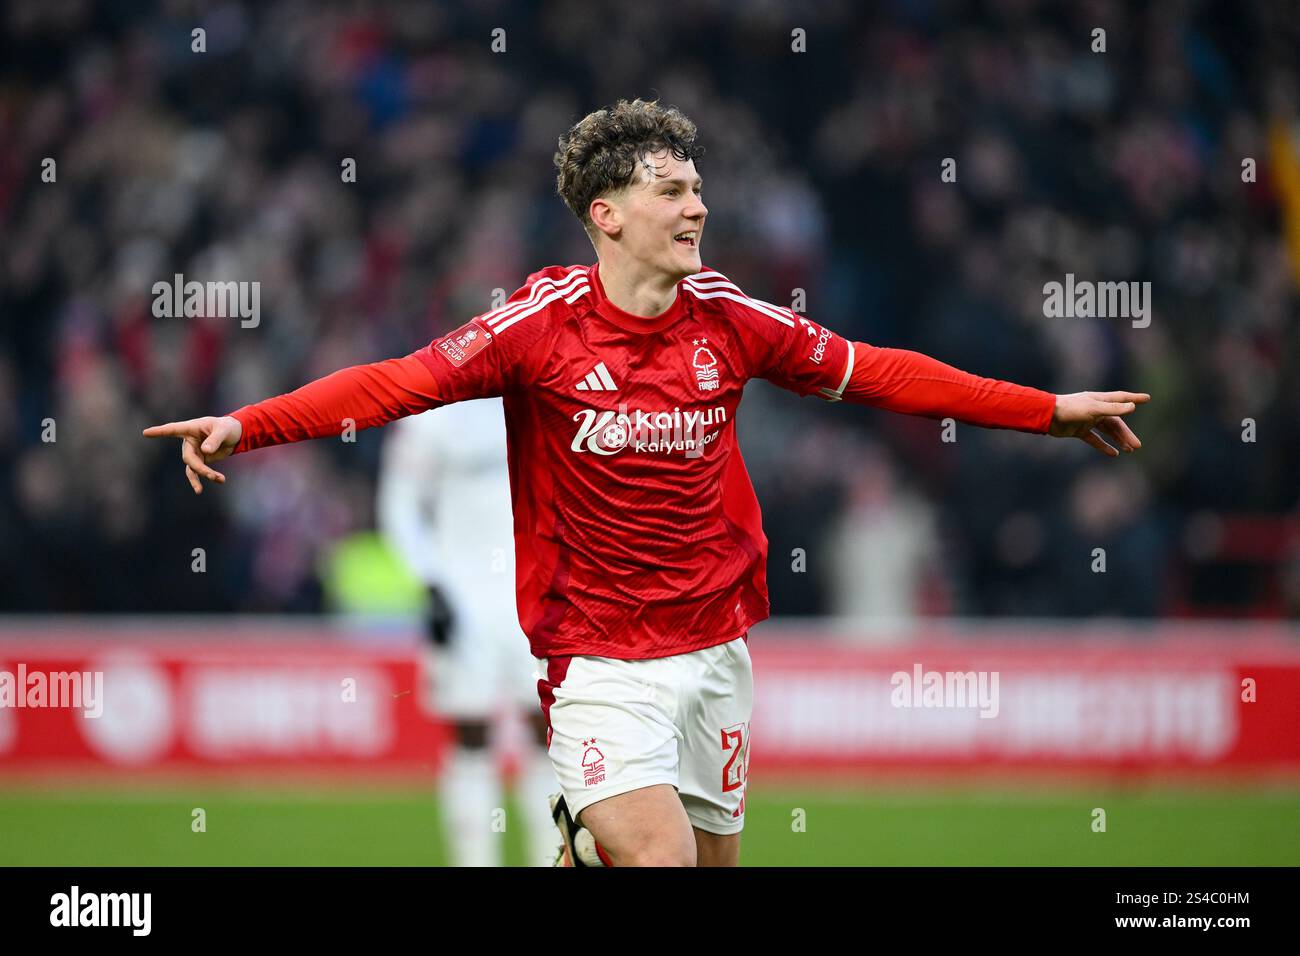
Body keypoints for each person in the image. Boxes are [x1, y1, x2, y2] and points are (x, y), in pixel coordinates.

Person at [144, 97, 1149, 867]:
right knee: (658, 856)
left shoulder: (730, 317)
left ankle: (580, 845)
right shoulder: (534, 329)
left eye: (697, 186)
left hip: (714, 644)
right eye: (672, 190)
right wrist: (248, 422)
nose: (698, 205)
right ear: (607, 213)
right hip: (596, 656)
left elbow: (875, 368)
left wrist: (1043, 407)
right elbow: (397, 382)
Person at [377, 400, 560, 866]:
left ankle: (551, 859)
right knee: (471, 734)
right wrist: (431, 581)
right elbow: (398, 506)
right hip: (463, 602)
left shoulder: (539, 403)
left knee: (548, 730)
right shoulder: (430, 420)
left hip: (533, 595)